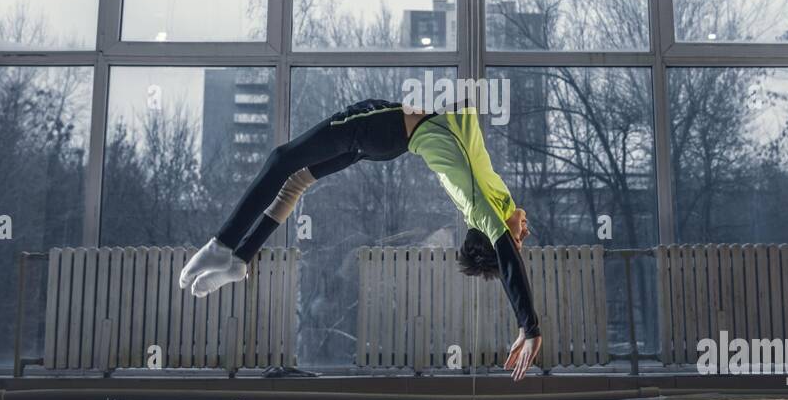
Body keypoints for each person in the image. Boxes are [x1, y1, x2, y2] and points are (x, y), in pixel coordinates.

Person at [177, 98, 543, 381]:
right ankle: (241, 259)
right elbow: (506, 246)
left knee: (281, 159)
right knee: (298, 181)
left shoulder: (482, 208)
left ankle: (221, 245)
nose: (523, 235)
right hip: (388, 135)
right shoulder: (500, 202)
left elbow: (507, 256)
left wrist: (529, 328)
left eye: (517, 241)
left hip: (382, 130)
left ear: (493, 235)